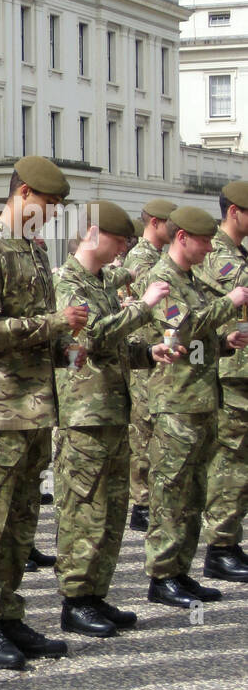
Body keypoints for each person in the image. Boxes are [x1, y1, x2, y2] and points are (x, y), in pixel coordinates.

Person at [0, 156, 88, 671]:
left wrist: (64, 349)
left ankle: (10, 612)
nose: (54, 215)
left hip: (36, 406)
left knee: (22, 518)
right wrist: (56, 322)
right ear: (24, 193)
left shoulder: (33, 250)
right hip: (1, 408)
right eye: (50, 205)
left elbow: (35, 330)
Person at [53, 201, 173, 636]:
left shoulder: (101, 283)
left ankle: (96, 593)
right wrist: (141, 307)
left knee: (112, 507)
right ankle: (75, 598)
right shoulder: (68, 282)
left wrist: (146, 352)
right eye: (119, 239)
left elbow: (114, 346)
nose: (124, 247)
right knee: (84, 507)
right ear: (92, 235)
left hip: (112, 407)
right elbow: (89, 337)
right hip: (85, 411)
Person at [144, 205, 248, 609]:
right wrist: (230, 304)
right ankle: (161, 575)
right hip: (174, 403)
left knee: (193, 492)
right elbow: (177, 327)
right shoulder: (162, 278)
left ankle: (180, 571)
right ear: (182, 237)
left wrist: (224, 344)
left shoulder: (190, 279)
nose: (208, 248)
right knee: (170, 492)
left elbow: (196, 343)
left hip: (201, 399)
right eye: (203, 240)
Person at [195, 181, 248, 582]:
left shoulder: (239, 253)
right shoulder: (219, 255)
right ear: (234, 212)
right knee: (231, 460)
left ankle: (230, 541)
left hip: (241, 370)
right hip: (233, 372)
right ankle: (221, 546)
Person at [123, 198, 176, 532]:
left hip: (158, 351)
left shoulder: (160, 257)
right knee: (142, 427)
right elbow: (154, 307)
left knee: (154, 427)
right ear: (156, 222)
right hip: (144, 352)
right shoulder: (141, 258)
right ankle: (141, 502)